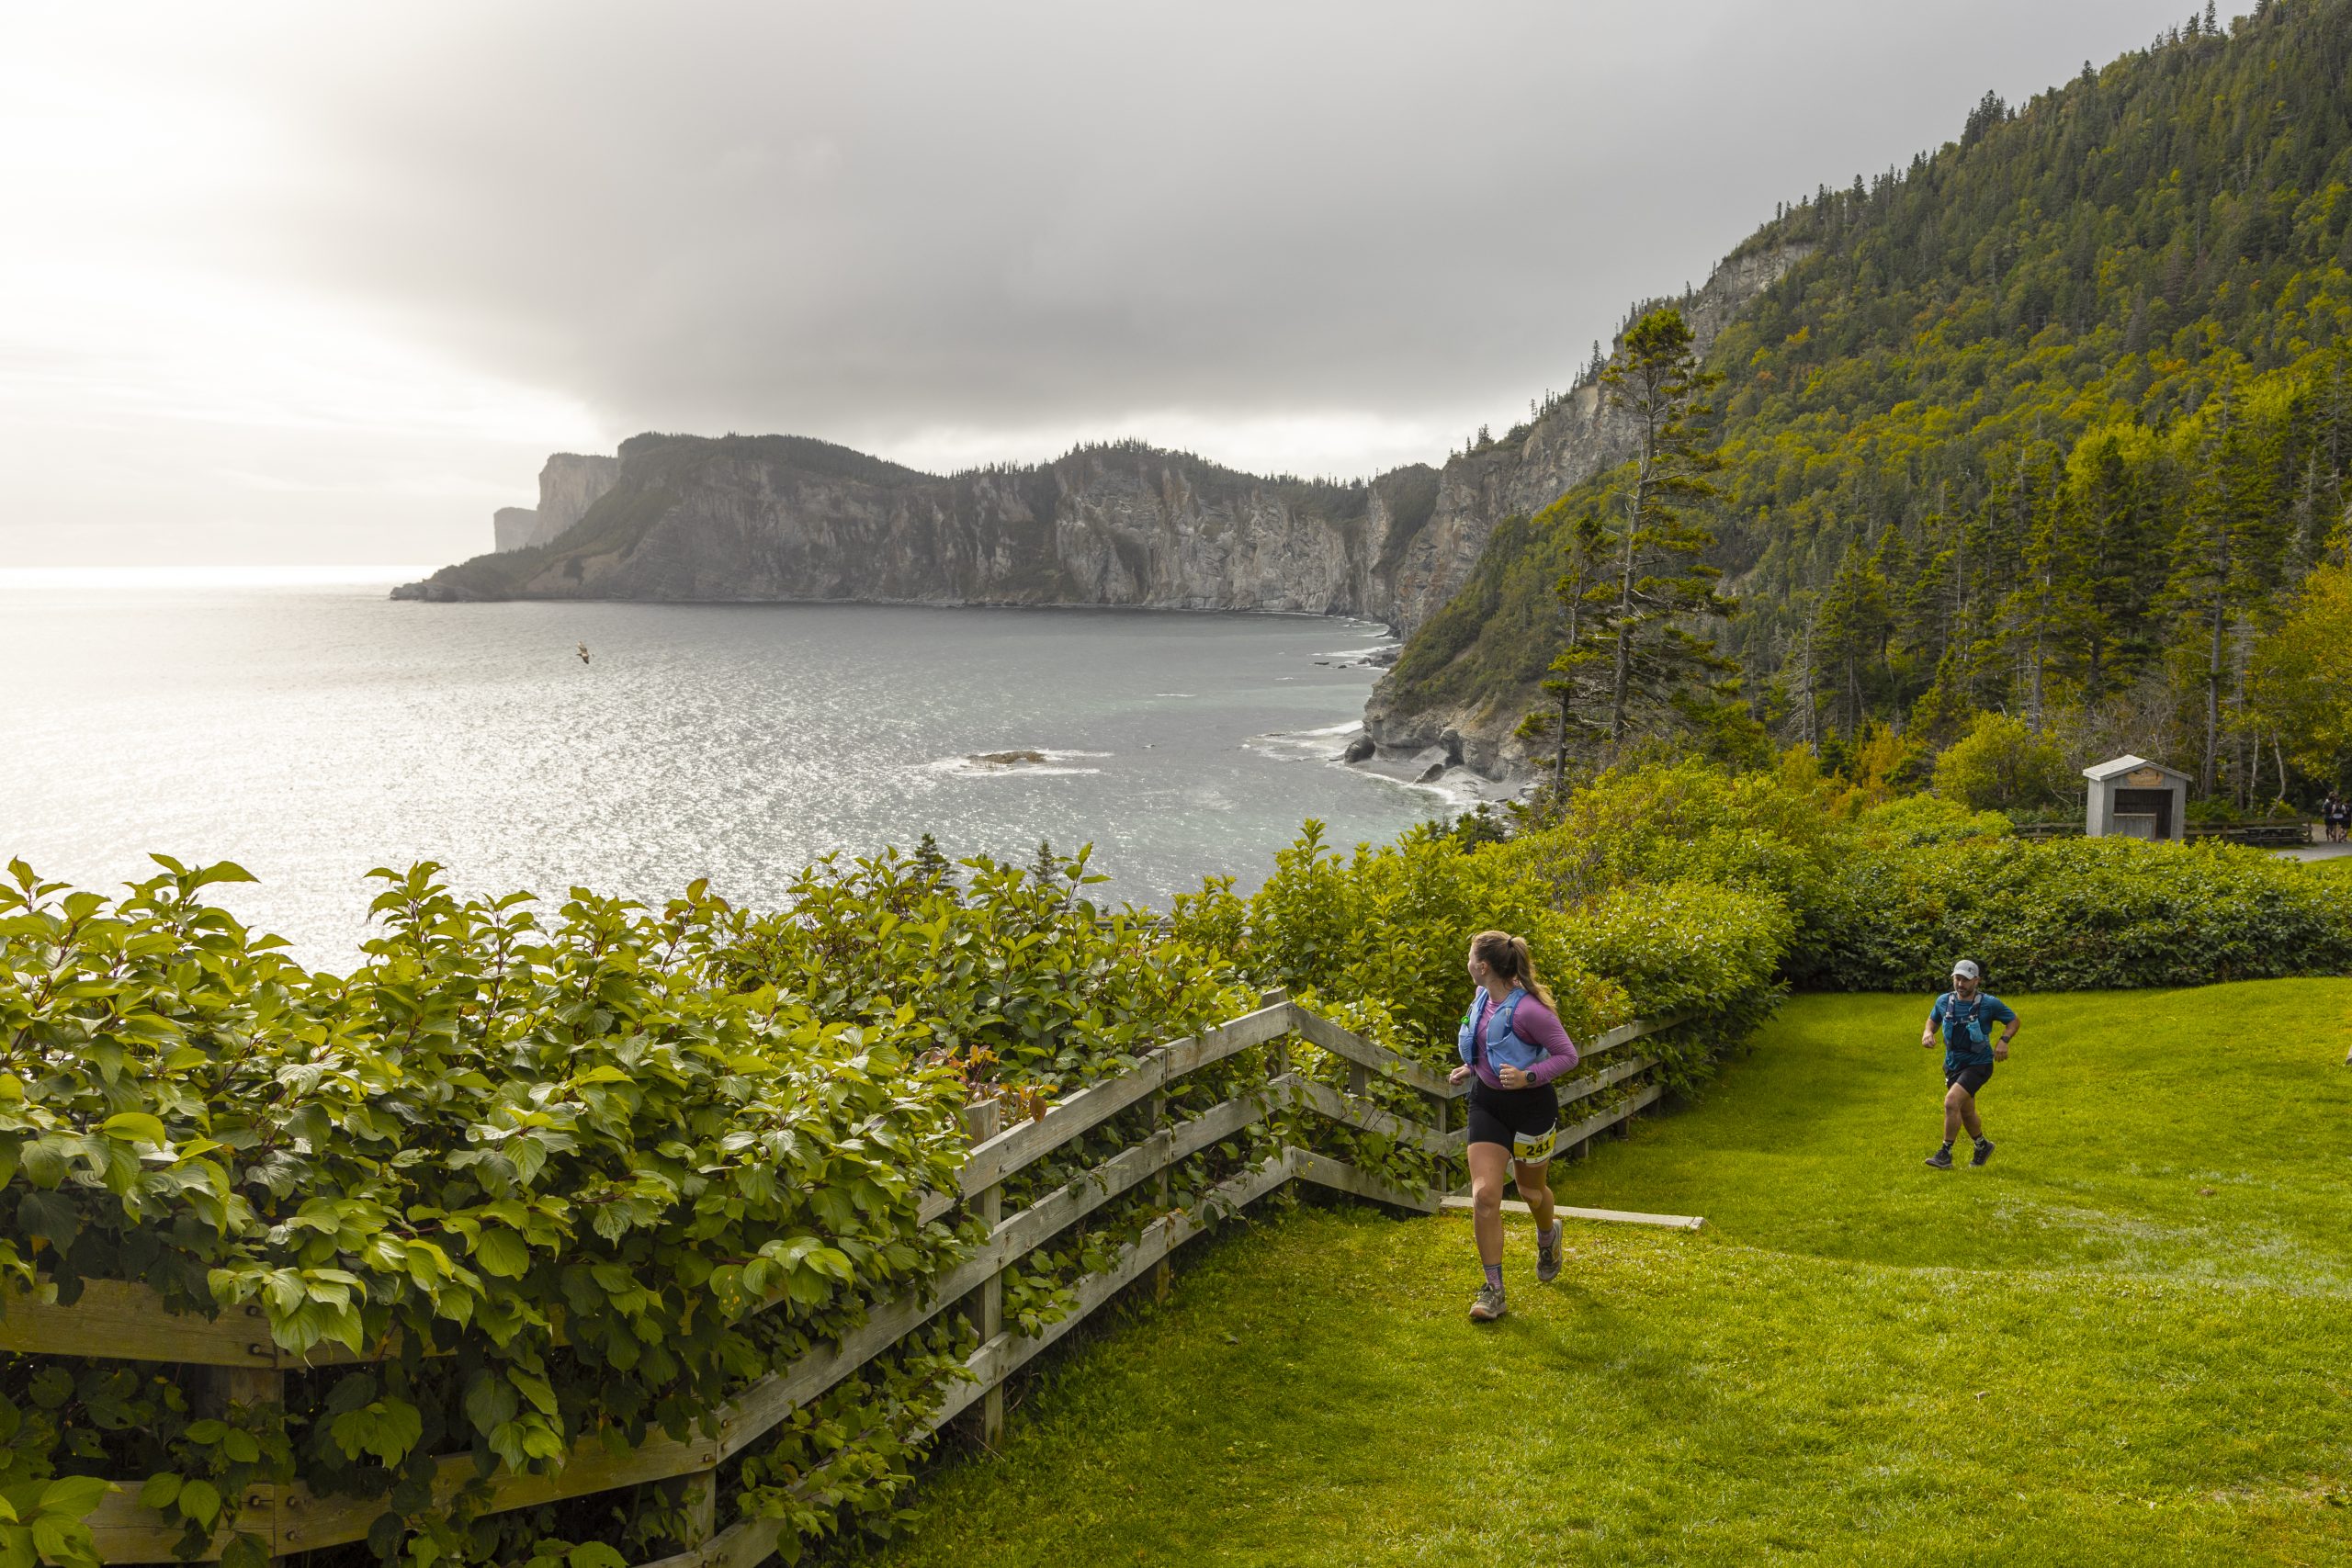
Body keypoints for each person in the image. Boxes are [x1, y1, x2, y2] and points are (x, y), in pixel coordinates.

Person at [1448, 930, 1581, 1322]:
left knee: (1530, 1191)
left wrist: (1529, 1078)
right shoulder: (1482, 997)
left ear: (1484, 966)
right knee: (1485, 1195)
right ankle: (1494, 1291)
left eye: (1470, 958)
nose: (1468, 964)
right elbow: (1491, 1045)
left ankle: (1547, 1234)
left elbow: (1568, 1055)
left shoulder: (1530, 1011)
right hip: (1487, 1103)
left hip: (1532, 1109)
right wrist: (1471, 1067)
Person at [1919, 958, 2019, 1169]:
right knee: (1965, 1111)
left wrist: (2004, 1041)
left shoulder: (1989, 1004)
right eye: (1957, 978)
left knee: (1951, 1102)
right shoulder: (1944, 1001)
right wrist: (1928, 1033)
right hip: (1953, 1064)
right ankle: (1982, 1146)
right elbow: (1932, 1020)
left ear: (1976, 981)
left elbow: (2013, 1020)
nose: (1960, 983)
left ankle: (1945, 1154)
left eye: (1965, 979)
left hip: (1979, 1064)